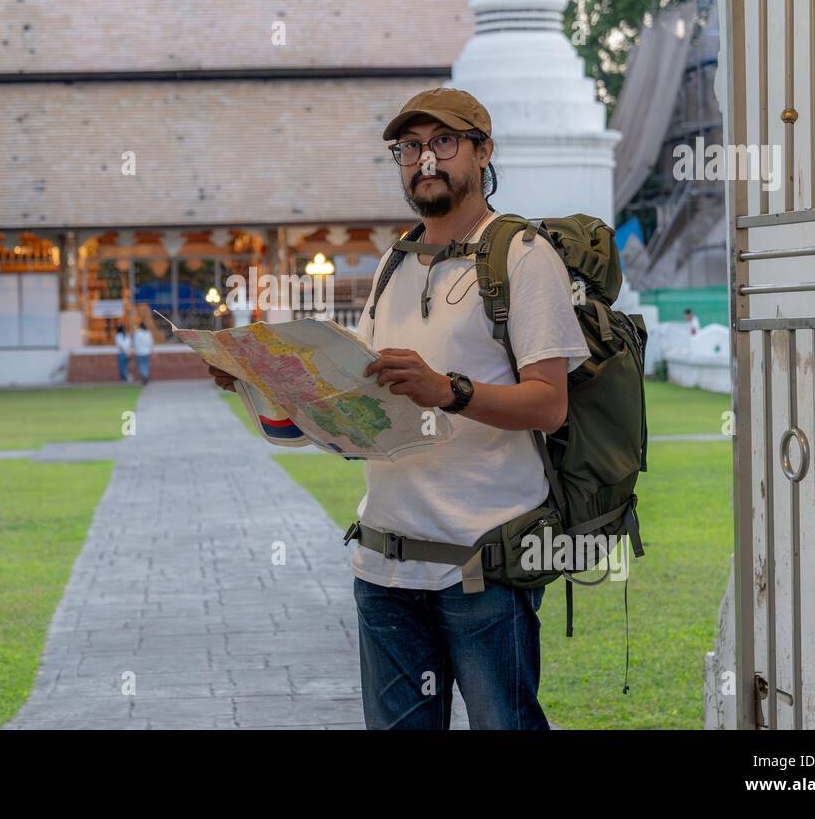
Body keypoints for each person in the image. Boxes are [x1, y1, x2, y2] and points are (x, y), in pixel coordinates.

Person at [208, 87, 588, 730]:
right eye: (408, 147)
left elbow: (549, 404)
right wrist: (259, 382)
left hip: (481, 564)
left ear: (484, 151)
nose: (425, 160)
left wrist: (451, 390)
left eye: (443, 142)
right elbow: (360, 408)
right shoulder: (394, 262)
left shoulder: (522, 256)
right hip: (383, 563)